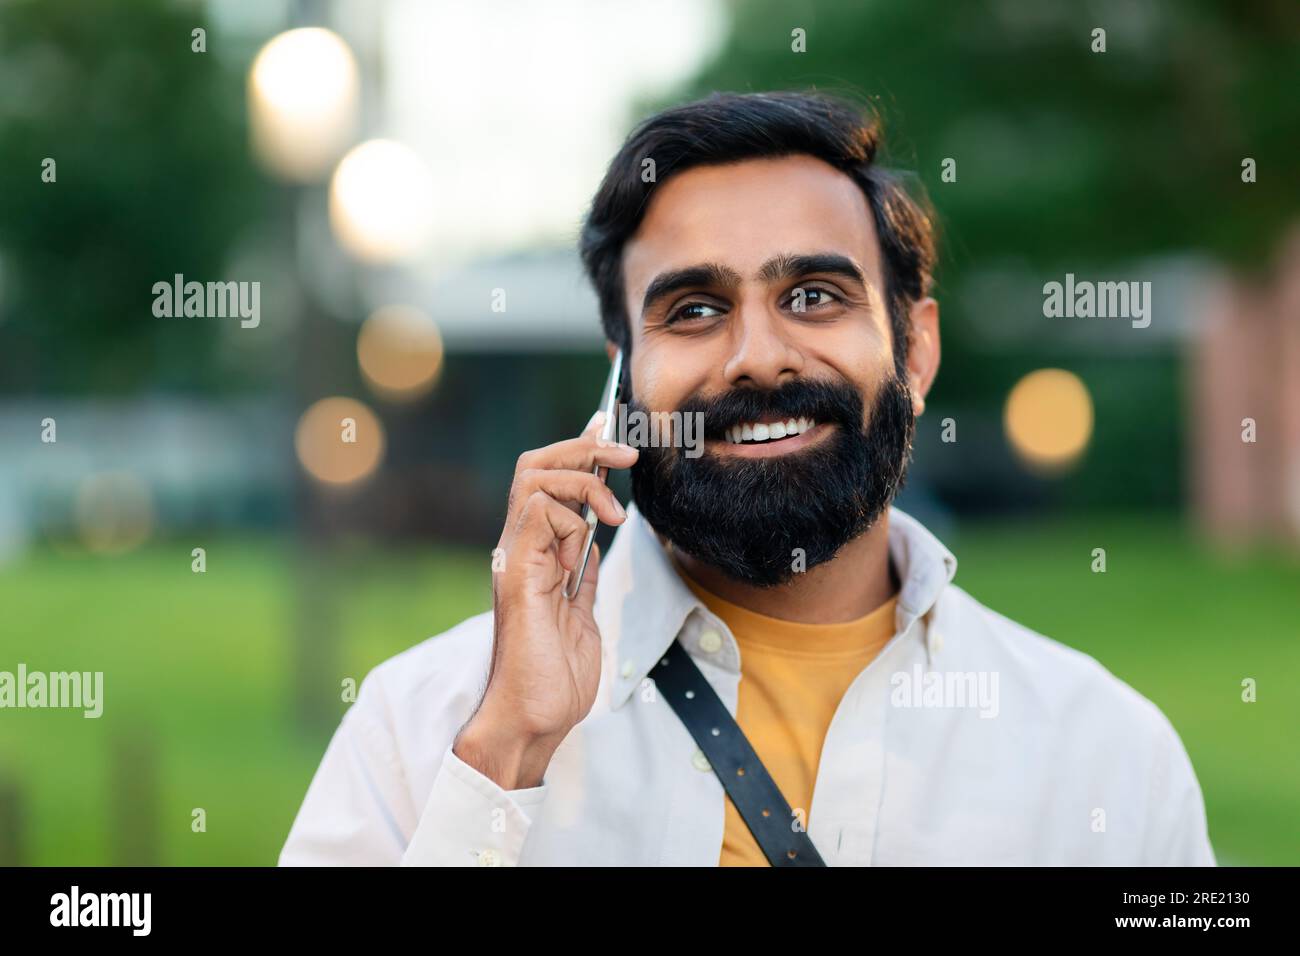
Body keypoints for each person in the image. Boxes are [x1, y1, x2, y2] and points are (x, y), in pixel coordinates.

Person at [280, 90, 1215, 866]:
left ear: (917, 350)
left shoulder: (1106, 760)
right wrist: (506, 755)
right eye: (694, 309)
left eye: (813, 296)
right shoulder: (428, 725)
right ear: (622, 377)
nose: (758, 359)